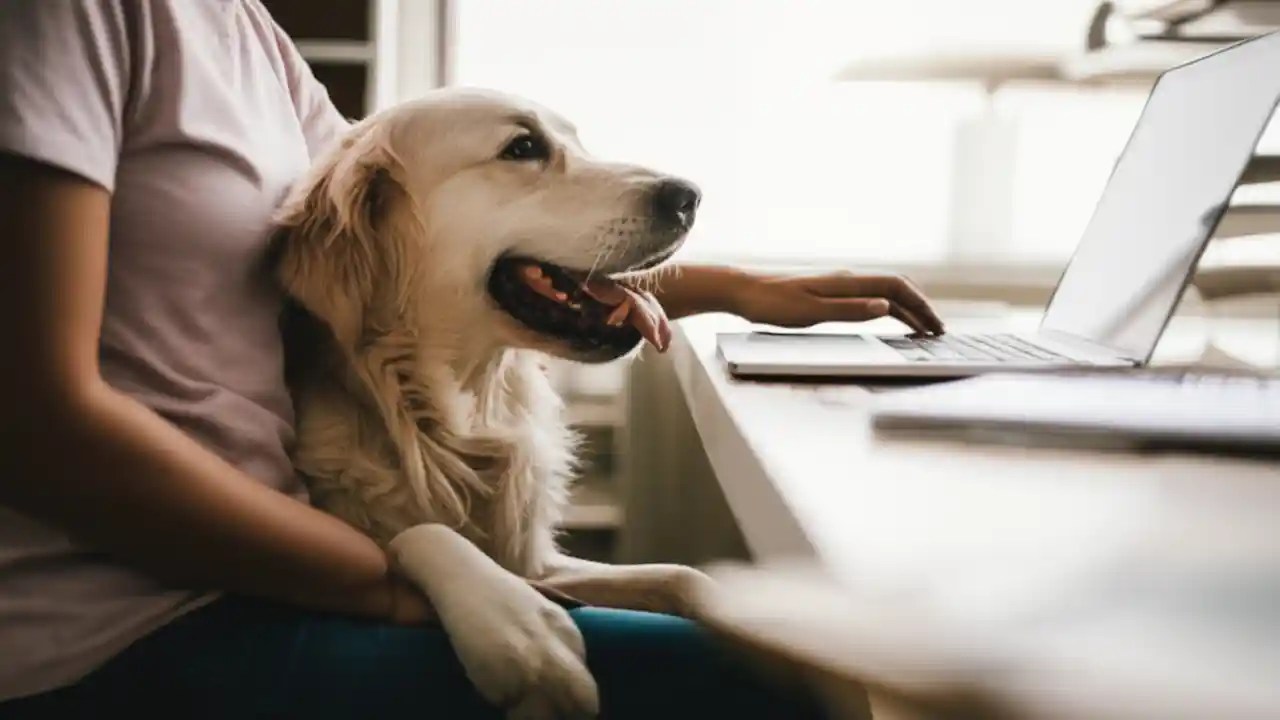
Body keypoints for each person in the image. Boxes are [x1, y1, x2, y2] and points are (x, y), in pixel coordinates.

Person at [0, 1, 944, 717]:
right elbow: (39, 424)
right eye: (528, 149)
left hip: (269, 560)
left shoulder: (248, 34)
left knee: (735, 627)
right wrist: (409, 579)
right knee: (747, 685)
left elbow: (406, 245)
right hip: (114, 623)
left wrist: (737, 289)